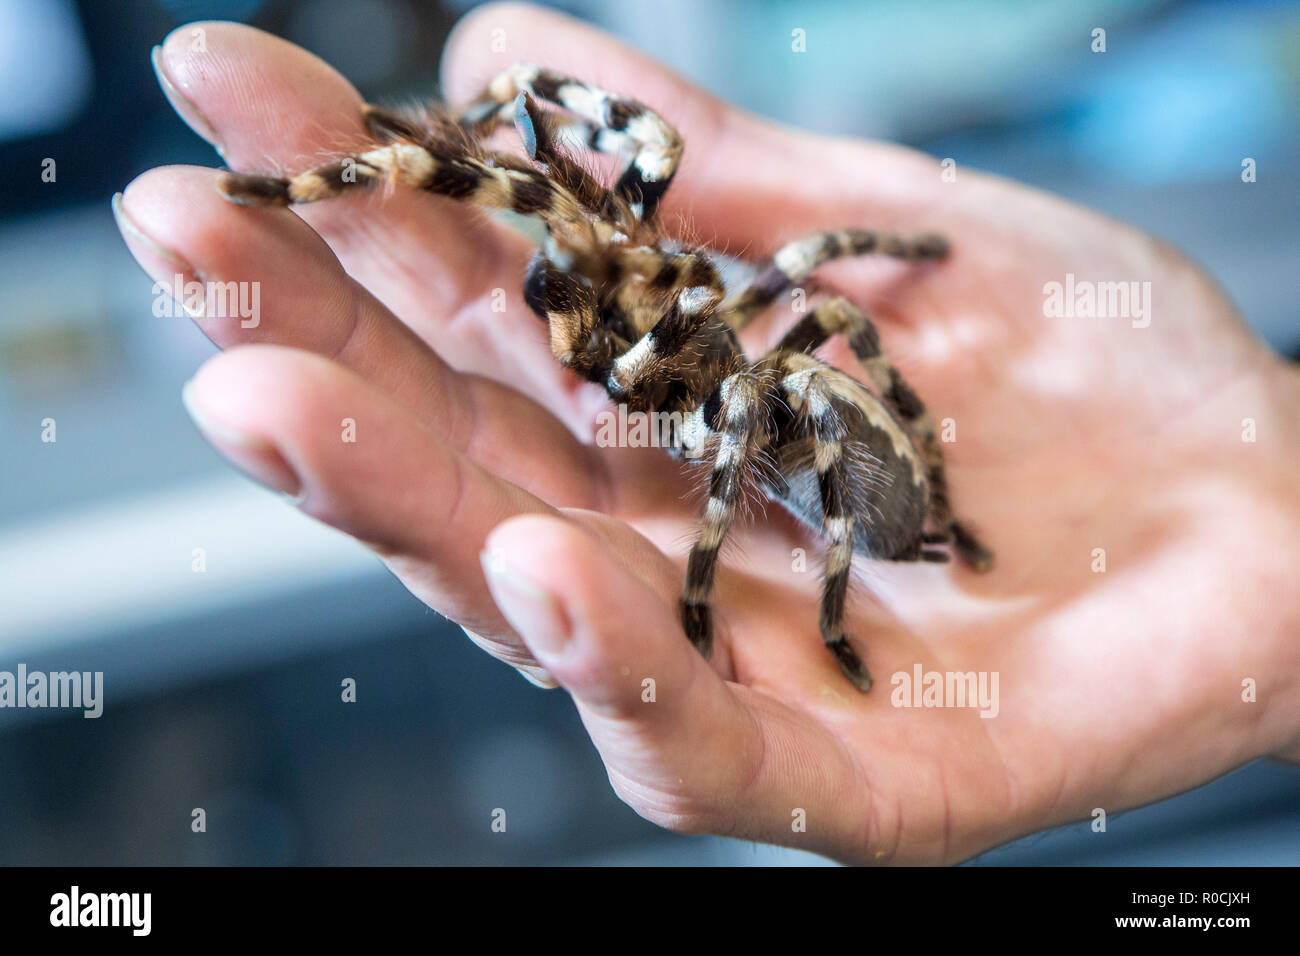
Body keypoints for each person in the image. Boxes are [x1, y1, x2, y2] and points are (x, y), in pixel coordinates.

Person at [114, 3, 1300, 865]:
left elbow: (789, 330)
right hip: (738, 400)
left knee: (811, 330)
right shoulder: (631, 282)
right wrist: (468, 126)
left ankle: (866, 572)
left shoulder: (717, 358)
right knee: (736, 253)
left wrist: (742, 582)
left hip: (821, 469)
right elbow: (567, 175)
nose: (632, 255)